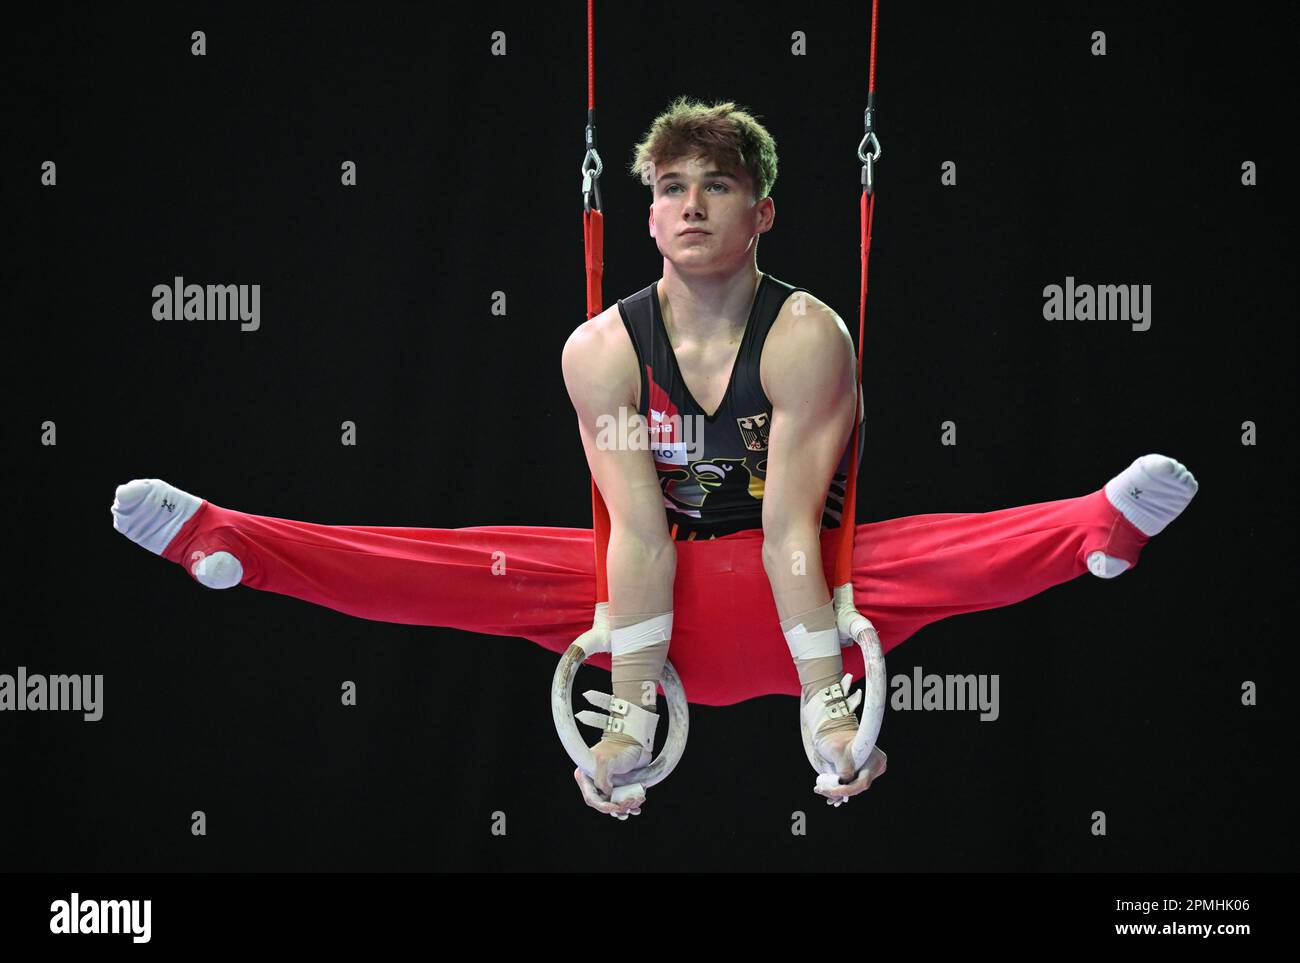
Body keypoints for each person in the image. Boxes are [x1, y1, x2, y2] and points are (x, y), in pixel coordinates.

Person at [110, 98, 1199, 819]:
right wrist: (629, 701)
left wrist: (829, 704)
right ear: (644, 214)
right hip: (653, 603)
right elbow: (634, 529)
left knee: (915, 557)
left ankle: (1094, 529)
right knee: (466, 568)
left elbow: (787, 530)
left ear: (761, 210)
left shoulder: (807, 336)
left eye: (716, 185)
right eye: (672, 186)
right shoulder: (602, 351)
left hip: (804, 597)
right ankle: (229, 544)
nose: (690, 204)